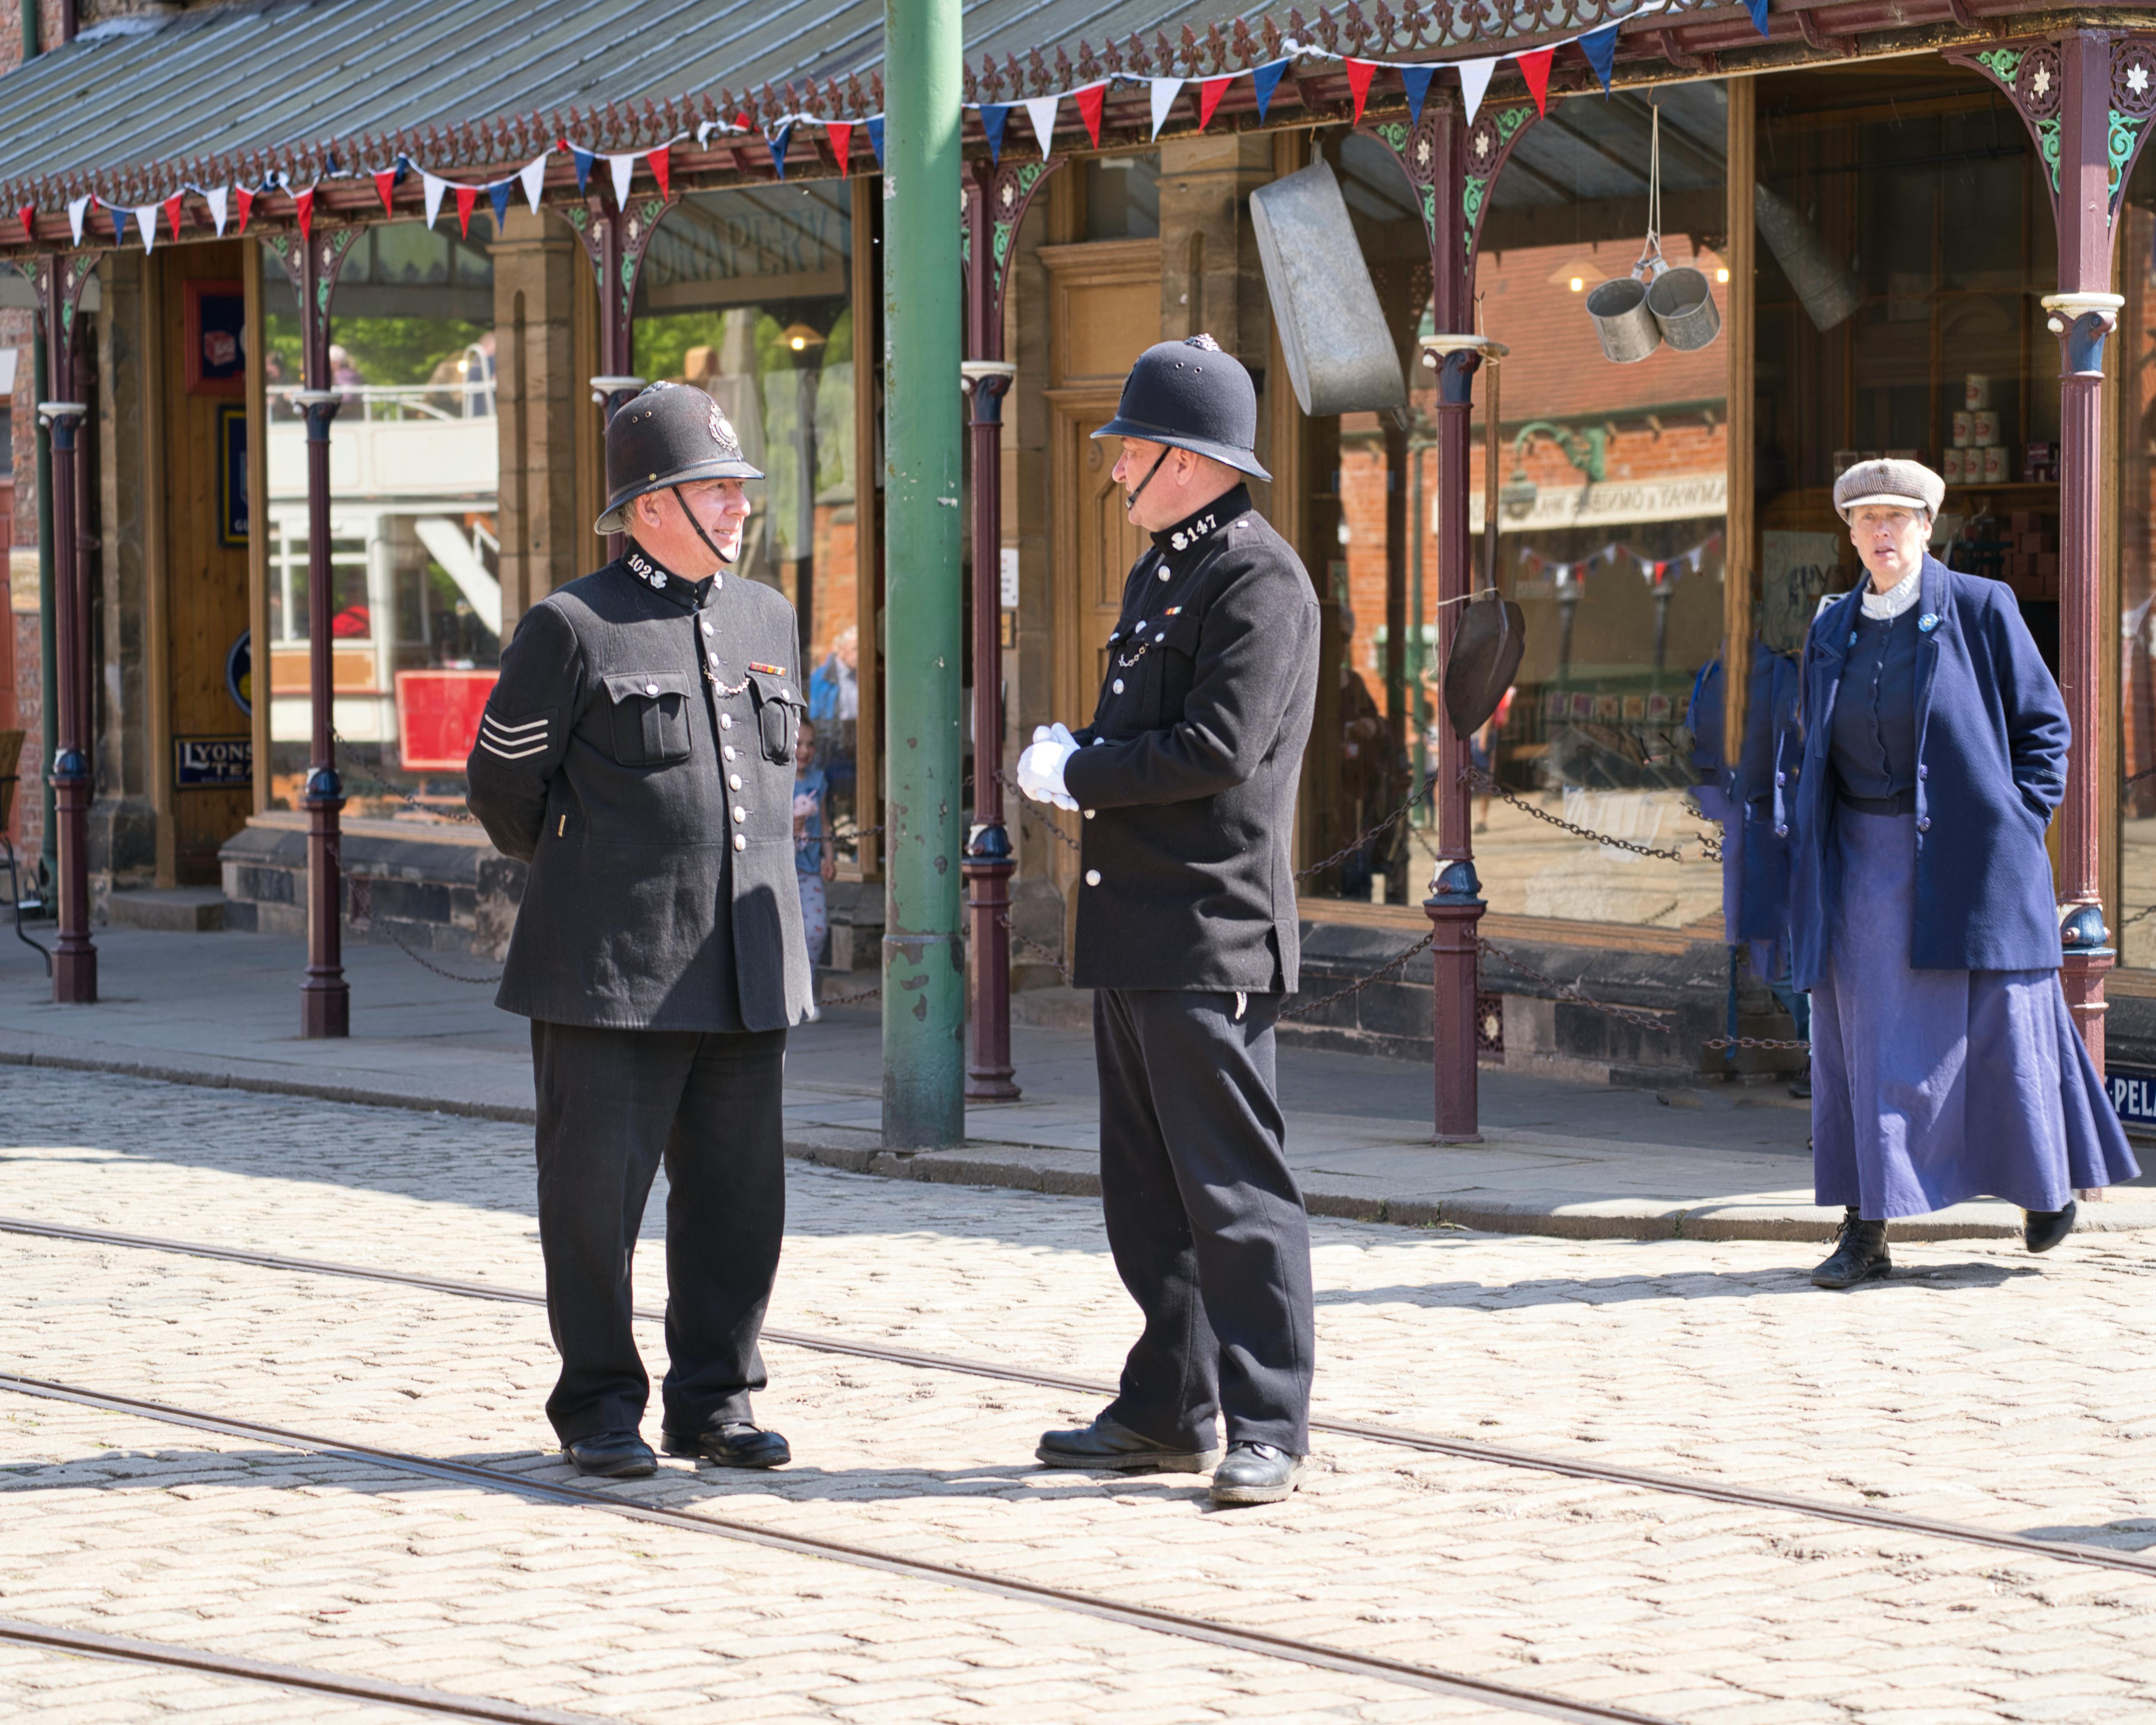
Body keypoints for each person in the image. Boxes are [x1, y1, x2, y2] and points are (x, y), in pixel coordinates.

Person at [466, 381, 813, 1475]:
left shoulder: (768, 617)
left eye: (739, 487)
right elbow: (503, 787)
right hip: (608, 970)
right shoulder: (570, 624)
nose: (737, 506)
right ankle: (601, 1406)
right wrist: (594, 881)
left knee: (738, 1205)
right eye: (715, 488)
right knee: (592, 1206)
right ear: (650, 504)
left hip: (748, 964)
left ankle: (716, 1402)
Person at [1015, 335, 1321, 1506]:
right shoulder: (1167, 571)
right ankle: (1166, 1406)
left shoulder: (1257, 579)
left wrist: (1080, 771)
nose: (1115, 471)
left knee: (1235, 1194)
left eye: (1130, 451)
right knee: (1151, 1198)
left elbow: (1217, 749)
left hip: (1211, 926)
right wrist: (1085, 756)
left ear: (1185, 463)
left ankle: (1269, 1423)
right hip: (1142, 925)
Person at [1785, 458, 2138, 1289]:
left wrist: (2017, 822)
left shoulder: (1982, 608)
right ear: (1849, 533)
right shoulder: (1831, 626)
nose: (1882, 533)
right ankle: (1865, 1231)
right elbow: (1811, 740)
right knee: (1865, 1048)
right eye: (1867, 519)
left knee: (2005, 1029)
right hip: (1862, 863)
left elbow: (2045, 728)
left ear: (1927, 527)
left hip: (1975, 857)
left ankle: (2044, 1190)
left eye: (1898, 519)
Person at [793, 715, 835, 980]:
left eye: (810, 745)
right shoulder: (778, 780)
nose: (805, 751)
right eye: (799, 744)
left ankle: (806, 987)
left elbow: (824, 822)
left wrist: (829, 857)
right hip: (783, 870)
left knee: (816, 930)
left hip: (810, 869)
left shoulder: (818, 781)